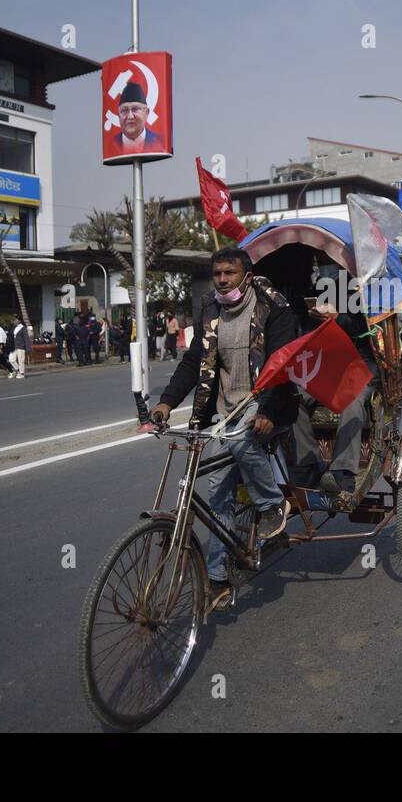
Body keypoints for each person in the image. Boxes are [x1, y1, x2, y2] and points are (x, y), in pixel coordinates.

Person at [150, 248, 297, 611]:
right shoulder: (210, 311)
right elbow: (193, 361)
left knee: (245, 437)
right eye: (216, 273)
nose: (221, 279)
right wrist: (167, 402)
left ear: (246, 276)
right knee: (217, 495)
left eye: (229, 273)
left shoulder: (274, 307)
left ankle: (272, 505)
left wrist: (267, 410)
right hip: (224, 414)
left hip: (267, 407)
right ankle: (217, 579)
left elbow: (281, 363)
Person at [292, 263, 380, 496]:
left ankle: (343, 472)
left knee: (352, 404)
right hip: (329, 366)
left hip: (360, 366)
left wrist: (337, 318)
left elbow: (366, 330)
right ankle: (308, 463)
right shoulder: (319, 290)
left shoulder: (365, 291)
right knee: (293, 397)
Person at [111, 81, 164, 153]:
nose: (130, 116)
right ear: (118, 115)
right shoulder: (111, 144)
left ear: (146, 112)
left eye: (135, 109)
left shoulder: (162, 143)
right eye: (124, 110)